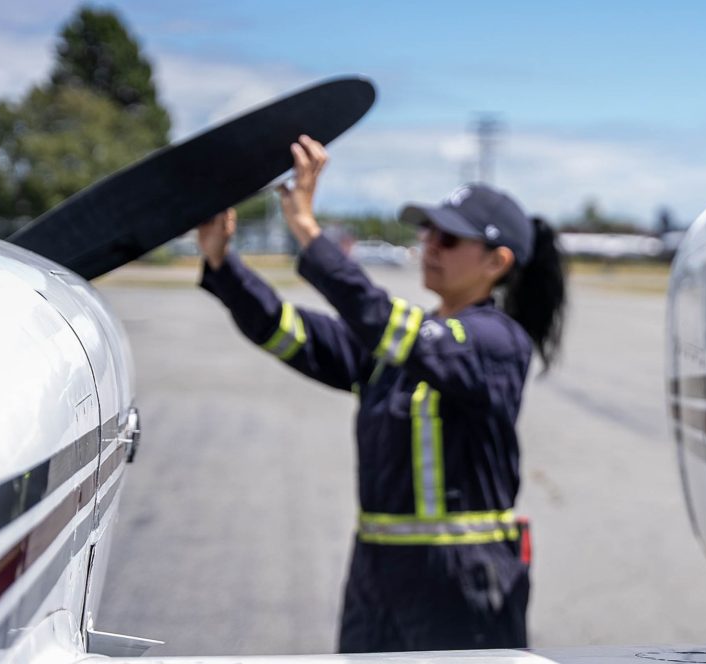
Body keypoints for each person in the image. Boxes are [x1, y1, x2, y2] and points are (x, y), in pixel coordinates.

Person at [195, 135, 566, 652]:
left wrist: (307, 230)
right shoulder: (405, 343)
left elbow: (384, 321)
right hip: (376, 573)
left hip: (462, 579)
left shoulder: (496, 342)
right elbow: (286, 331)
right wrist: (222, 264)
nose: (430, 246)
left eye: (451, 240)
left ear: (496, 262)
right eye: (430, 232)